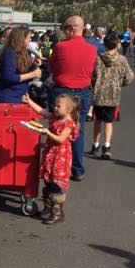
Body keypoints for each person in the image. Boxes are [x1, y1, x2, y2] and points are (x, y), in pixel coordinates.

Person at [48, 14, 97, 182]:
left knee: (57, 128)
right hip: (83, 91)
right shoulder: (92, 49)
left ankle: (55, 165)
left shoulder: (60, 47)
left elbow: (52, 67)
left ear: (70, 29)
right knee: (78, 130)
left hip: (63, 90)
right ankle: (77, 169)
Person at [22, 92, 80, 225]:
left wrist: (47, 132)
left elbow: (61, 139)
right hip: (51, 153)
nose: (55, 108)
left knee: (55, 183)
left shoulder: (69, 123)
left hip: (60, 156)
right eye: (55, 105)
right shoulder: (55, 116)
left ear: (69, 110)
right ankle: (48, 207)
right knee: (48, 180)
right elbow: (42, 111)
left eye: (58, 106)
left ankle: (57, 213)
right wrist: (30, 101)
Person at [88, 32, 134, 159]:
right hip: (113, 95)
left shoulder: (98, 59)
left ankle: (95, 145)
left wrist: (94, 84)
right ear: (117, 44)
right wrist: (120, 83)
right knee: (109, 122)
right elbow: (129, 77)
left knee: (97, 120)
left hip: (99, 94)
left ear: (105, 45)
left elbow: (91, 75)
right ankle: (107, 147)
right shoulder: (122, 60)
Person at [0, 26, 42, 103]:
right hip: (7, 98)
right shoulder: (9, 53)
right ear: (21, 39)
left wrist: (34, 65)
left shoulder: (22, 53)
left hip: (18, 96)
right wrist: (32, 74)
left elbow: (21, 72)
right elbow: (8, 77)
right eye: (28, 38)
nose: (30, 40)